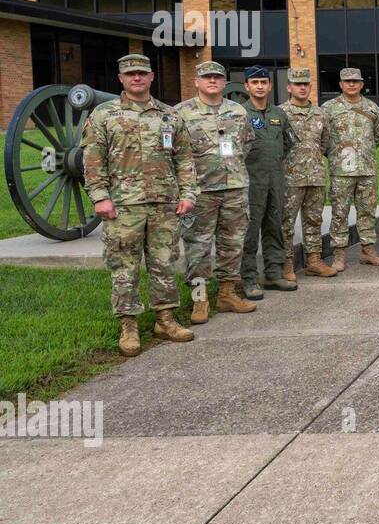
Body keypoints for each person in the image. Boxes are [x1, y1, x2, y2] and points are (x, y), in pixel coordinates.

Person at [81, 54, 198, 355]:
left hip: (163, 203)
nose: (137, 78)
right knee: (124, 266)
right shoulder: (104, 115)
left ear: (151, 77)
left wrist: (188, 193)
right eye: (130, 74)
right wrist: (100, 196)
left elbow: (184, 158)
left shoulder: (169, 116)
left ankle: (165, 319)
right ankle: (129, 325)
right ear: (121, 78)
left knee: (163, 263)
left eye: (142, 73)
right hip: (124, 205)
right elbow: (93, 160)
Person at [175, 60, 257, 320]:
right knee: (198, 247)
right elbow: (175, 153)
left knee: (232, 243)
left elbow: (247, 143)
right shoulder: (181, 113)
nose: (212, 81)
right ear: (197, 82)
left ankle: (227, 294)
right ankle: (200, 300)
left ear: (224, 82)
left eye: (217, 78)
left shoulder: (238, 111)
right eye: (207, 77)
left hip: (234, 187)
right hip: (200, 190)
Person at [322, 68, 379, 271]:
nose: (351, 84)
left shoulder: (371, 108)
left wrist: (363, 152)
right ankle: (339, 254)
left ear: (361, 84)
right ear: (340, 84)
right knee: (340, 213)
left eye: (355, 81)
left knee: (367, 211)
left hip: (366, 169)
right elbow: (323, 139)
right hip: (341, 171)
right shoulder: (329, 109)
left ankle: (368, 251)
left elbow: (378, 136)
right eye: (347, 81)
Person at [240, 66, 296, 299]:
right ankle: (249, 278)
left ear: (270, 86)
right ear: (247, 86)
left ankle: (273, 272)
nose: (260, 86)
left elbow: (288, 142)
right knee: (250, 229)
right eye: (255, 83)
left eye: (264, 82)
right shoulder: (240, 113)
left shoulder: (279, 114)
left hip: (275, 178)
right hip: (251, 180)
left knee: (274, 226)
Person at [281, 68, 336, 278]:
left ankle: (314, 260)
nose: (302, 88)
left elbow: (324, 143)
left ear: (310, 87)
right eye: (297, 84)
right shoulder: (281, 113)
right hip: (289, 178)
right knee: (286, 221)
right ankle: (287, 263)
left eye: (305, 84)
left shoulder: (321, 114)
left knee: (314, 220)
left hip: (315, 176)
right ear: (289, 87)